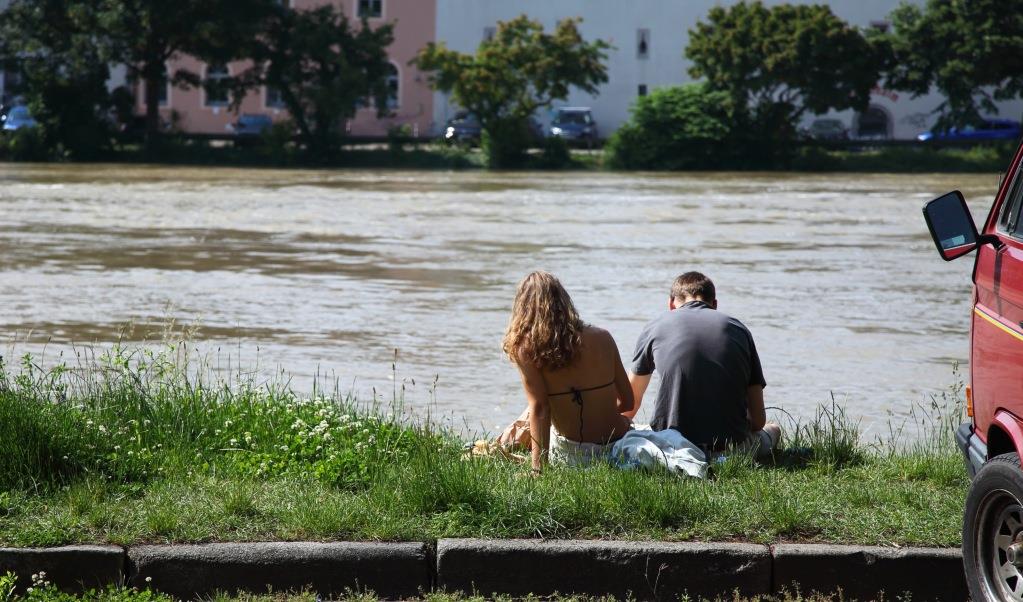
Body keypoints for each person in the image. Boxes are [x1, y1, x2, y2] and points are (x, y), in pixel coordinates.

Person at [627, 272, 781, 460]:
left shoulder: (655, 327)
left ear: (671, 304)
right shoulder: (739, 329)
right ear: (714, 305)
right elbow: (758, 420)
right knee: (773, 429)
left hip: (670, 447)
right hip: (730, 451)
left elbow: (629, 405)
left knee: (638, 429)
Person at [502, 271, 635, 473]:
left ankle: (503, 444)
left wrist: (538, 470)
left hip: (574, 451)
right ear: (564, 301)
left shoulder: (527, 350)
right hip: (618, 442)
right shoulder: (603, 337)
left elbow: (541, 409)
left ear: (522, 308)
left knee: (531, 408)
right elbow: (628, 402)